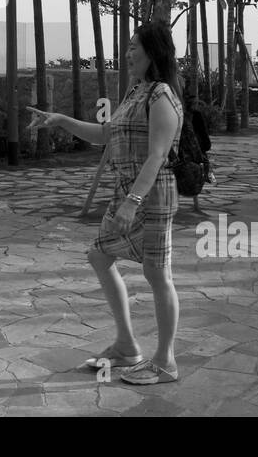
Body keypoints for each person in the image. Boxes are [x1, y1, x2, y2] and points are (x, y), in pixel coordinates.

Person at [28, 21, 183, 386]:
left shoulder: (161, 95)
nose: (128, 53)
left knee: (158, 275)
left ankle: (165, 361)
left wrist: (133, 202)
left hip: (151, 193)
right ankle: (127, 347)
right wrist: (61, 120)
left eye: (134, 47)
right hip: (129, 192)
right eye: (128, 47)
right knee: (99, 256)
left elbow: (157, 156)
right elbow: (104, 135)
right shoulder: (136, 91)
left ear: (153, 51)